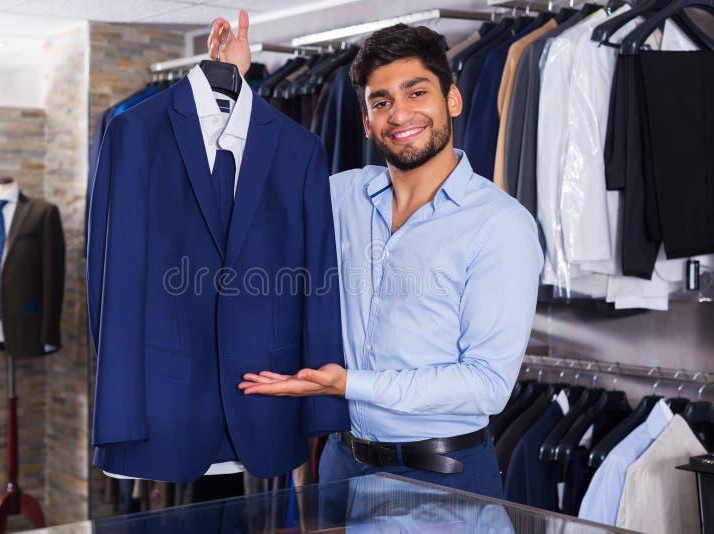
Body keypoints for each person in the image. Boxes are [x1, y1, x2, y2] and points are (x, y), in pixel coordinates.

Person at [209, 12, 543, 498]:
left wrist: (349, 385)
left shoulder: (500, 225)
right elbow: (244, 197)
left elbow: (486, 384)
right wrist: (230, 87)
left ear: (452, 98)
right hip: (343, 466)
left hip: (442, 477)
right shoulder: (341, 196)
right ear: (365, 122)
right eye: (381, 102)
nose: (401, 115)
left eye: (417, 93)